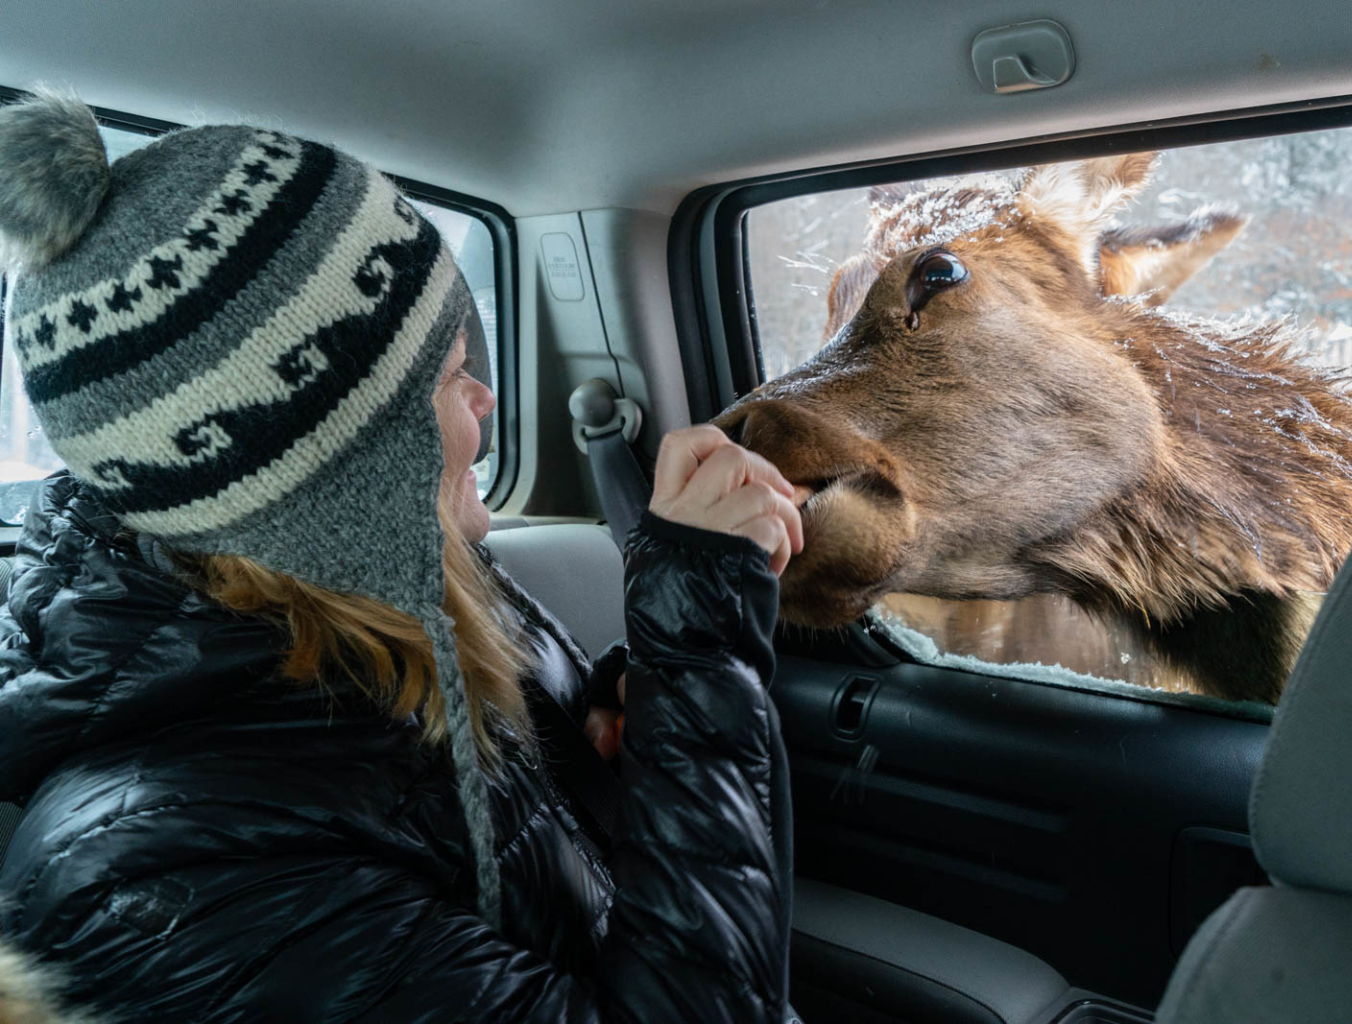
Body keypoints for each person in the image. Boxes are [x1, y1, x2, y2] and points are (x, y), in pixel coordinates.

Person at [0, 90, 804, 1022]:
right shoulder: (171, 884)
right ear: (346, 466)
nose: (485, 401)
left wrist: (639, 731)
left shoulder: (411, 599)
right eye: (453, 375)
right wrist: (699, 654)